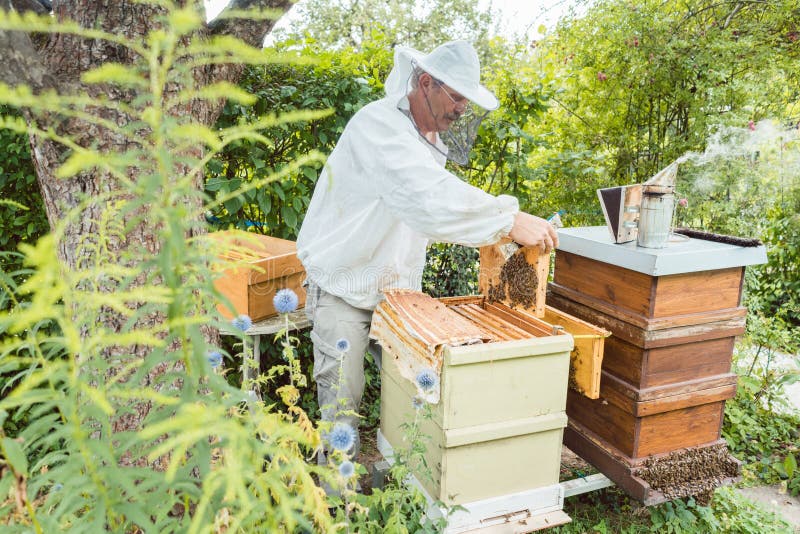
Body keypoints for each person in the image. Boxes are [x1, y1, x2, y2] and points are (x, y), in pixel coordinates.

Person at [296, 40, 558, 466]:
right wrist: (507, 219)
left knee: (419, 390)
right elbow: (425, 198)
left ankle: (406, 487)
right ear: (425, 83)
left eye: (465, 101)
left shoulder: (427, 141)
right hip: (344, 285)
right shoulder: (378, 126)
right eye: (456, 97)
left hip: (396, 294)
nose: (460, 109)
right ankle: (334, 508)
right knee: (342, 405)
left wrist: (496, 232)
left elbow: (433, 213)